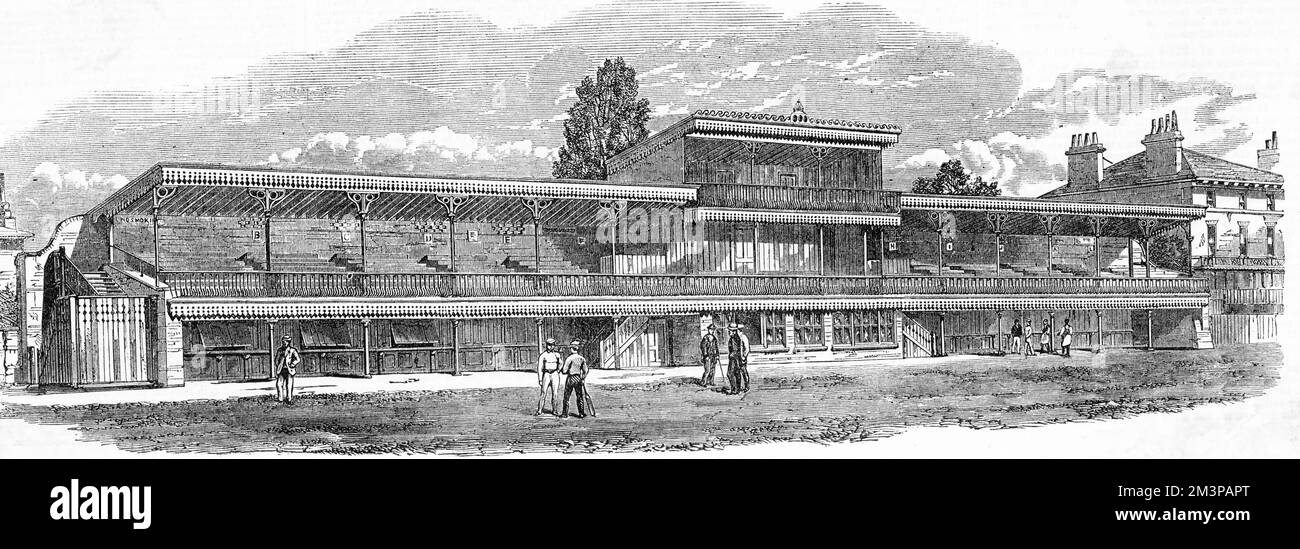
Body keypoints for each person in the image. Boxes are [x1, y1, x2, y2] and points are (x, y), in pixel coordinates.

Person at [560, 339, 590, 418]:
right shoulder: (581, 358)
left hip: (570, 378)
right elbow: (586, 371)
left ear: (571, 349)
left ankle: (564, 413)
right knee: (579, 396)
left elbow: (564, 370)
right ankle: (581, 413)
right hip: (578, 378)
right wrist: (582, 378)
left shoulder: (569, 358)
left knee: (566, 396)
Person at [535, 338, 564, 417]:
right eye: (549, 345)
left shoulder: (557, 355)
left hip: (555, 374)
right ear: (546, 345)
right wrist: (540, 379)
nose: (550, 347)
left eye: (552, 345)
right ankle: (540, 410)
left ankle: (554, 410)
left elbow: (561, 363)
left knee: (555, 393)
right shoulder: (543, 355)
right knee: (543, 392)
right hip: (546, 374)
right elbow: (540, 368)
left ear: (554, 346)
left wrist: (558, 370)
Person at [274, 334, 301, 403]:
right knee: (279, 384)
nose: (284, 343)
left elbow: (298, 359)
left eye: (285, 341)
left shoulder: (292, 350)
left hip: (290, 370)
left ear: (288, 342)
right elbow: (276, 360)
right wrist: (279, 365)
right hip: (281, 370)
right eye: (283, 341)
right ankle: (280, 399)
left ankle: (289, 399)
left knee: (289, 385)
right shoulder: (279, 350)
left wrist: (292, 364)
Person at [726, 322, 751, 394]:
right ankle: (737, 389)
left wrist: (743, 357)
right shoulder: (733, 338)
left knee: (732, 373)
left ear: (734, 331)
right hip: (735, 359)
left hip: (737, 359)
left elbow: (742, 349)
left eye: (730, 330)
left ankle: (736, 389)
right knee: (737, 373)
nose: (728, 332)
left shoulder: (738, 338)